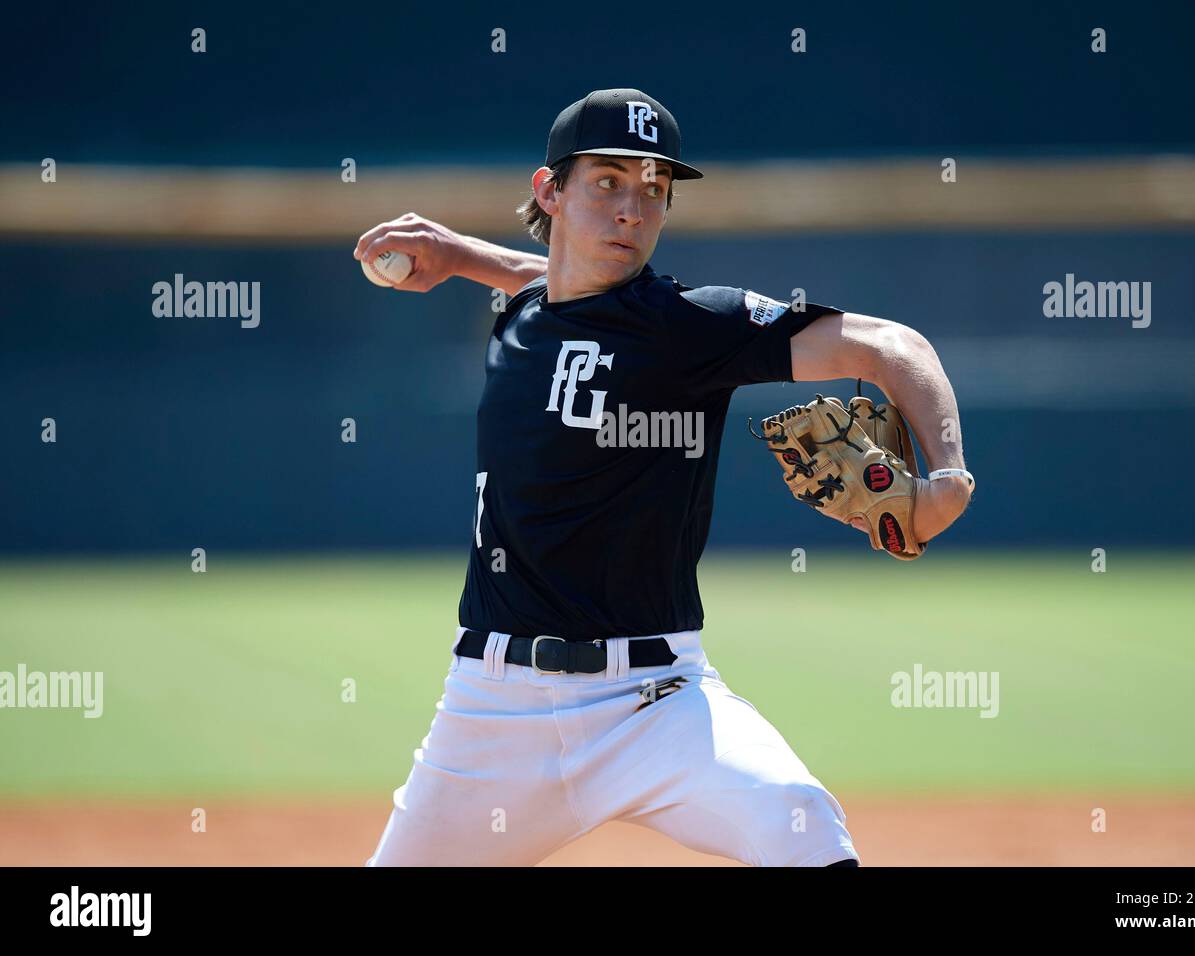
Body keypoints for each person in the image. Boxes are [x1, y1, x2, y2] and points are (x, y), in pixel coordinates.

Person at [354, 89, 971, 866]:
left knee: (800, 822)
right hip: (491, 712)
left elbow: (891, 346)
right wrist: (459, 256)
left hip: (658, 705)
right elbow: (545, 281)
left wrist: (947, 475)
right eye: (608, 180)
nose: (632, 209)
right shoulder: (525, 310)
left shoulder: (689, 328)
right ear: (550, 191)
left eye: (654, 189)